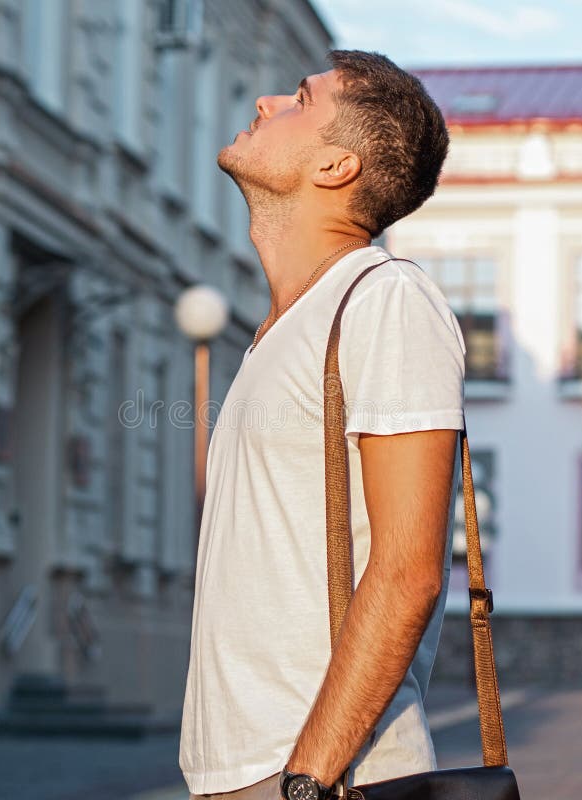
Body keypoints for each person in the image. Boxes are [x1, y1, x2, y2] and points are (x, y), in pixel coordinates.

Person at [179, 49, 465, 800]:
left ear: (337, 167)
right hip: (243, 770)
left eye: (301, 99)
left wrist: (304, 779)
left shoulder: (383, 299)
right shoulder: (283, 329)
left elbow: (410, 571)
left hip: (324, 775)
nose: (268, 99)